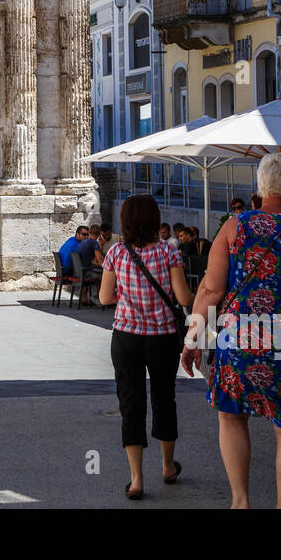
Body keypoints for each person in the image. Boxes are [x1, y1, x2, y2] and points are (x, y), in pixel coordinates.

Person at [182, 153, 281, 509]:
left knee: (231, 416)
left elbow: (210, 290)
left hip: (239, 340)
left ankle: (241, 501)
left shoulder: (234, 227)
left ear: (262, 187)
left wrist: (193, 338)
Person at [99, 194, 194, 500]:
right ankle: (167, 466)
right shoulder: (168, 252)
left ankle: (136, 478)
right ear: (155, 219)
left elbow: (104, 297)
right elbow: (183, 298)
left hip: (126, 336)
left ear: (125, 221)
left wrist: (127, 298)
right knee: (164, 399)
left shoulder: (116, 252)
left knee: (131, 404)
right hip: (162, 337)